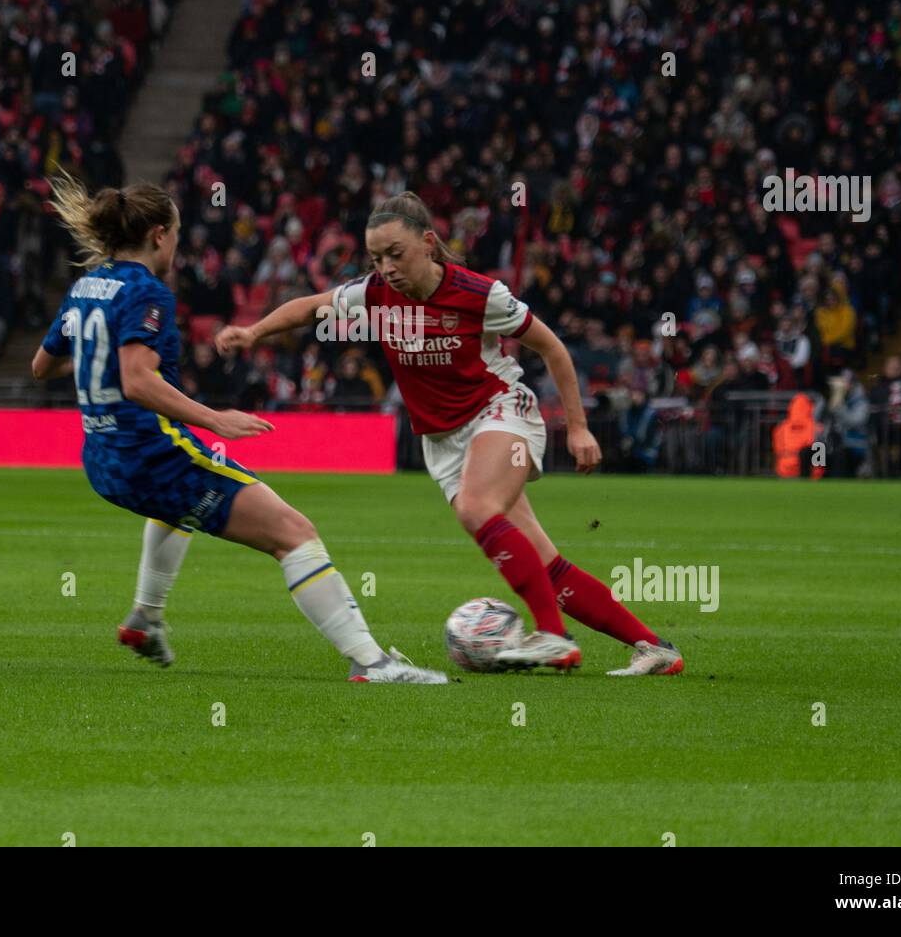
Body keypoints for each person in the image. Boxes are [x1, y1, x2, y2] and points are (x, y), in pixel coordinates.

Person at [218, 192, 683, 676]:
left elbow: (552, 348)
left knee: (475, 509)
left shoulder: (480, 294)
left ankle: (553, 637)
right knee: (545, 566)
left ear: (428, 242)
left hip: (502, 412)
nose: (386, 267)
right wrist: (254, 333)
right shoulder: (374, 294)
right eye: (377, 258)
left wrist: (580, 427)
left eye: (395, 254)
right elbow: (310, 307)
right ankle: (654, 647)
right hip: (444, 442)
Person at [31, 175, 446, 685]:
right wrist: (214, 418)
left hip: (102, 457)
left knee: (176, 512)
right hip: (153, 455)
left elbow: (41, 367)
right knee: (294, 535)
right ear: (160, 235)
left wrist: (94, 349)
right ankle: (372, 663)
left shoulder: (85, 287)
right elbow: (137, 380)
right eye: (178, 234)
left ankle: (146, 617)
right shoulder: (146, 292)